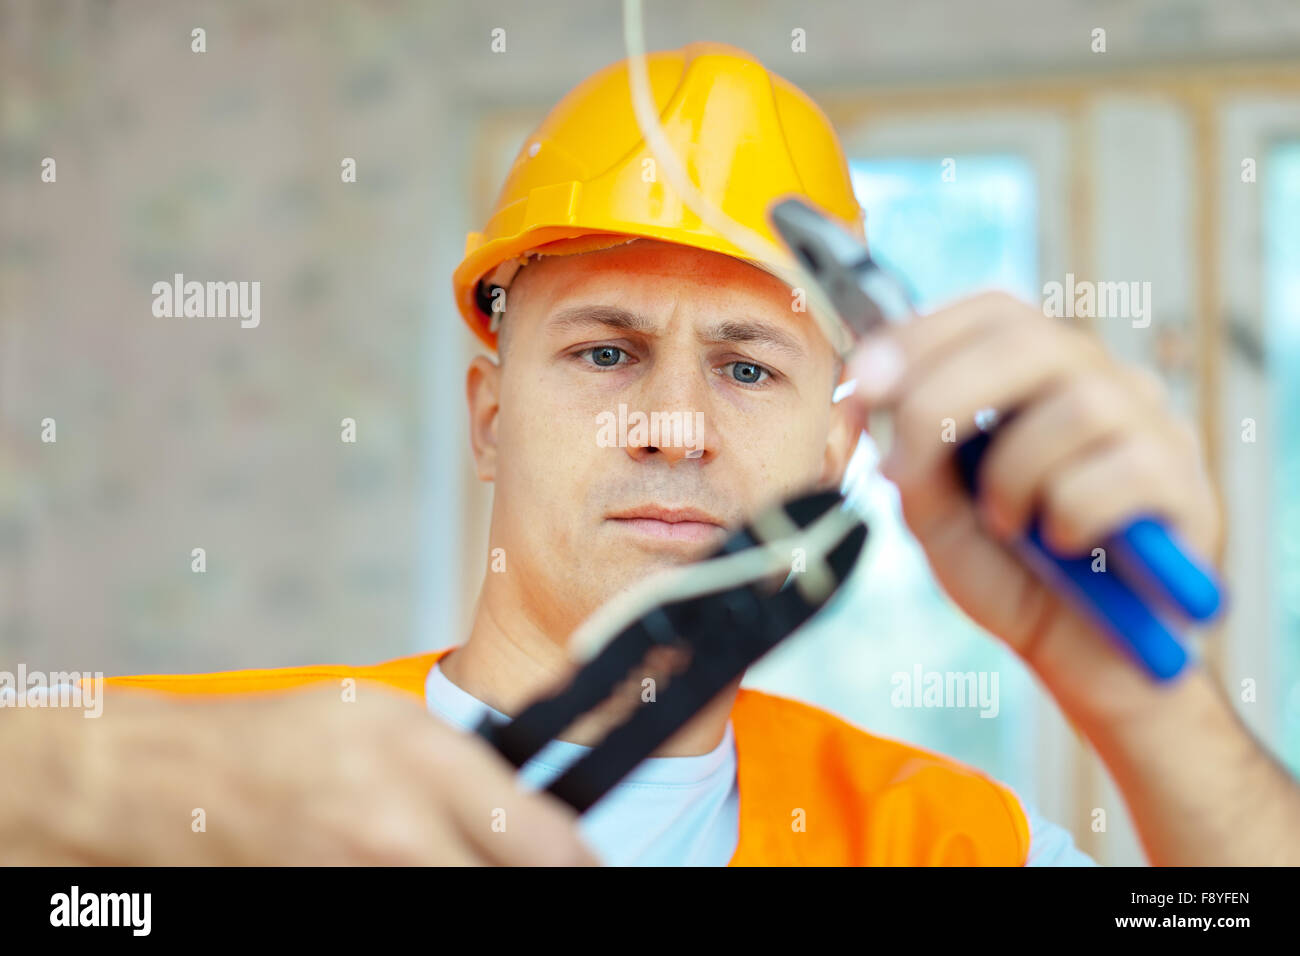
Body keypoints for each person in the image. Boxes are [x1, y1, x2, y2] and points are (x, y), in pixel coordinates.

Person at [6, 43, 1298, 867]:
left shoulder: (944, 843)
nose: (677, 424)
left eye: (747, 367)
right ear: (489, 415)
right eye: (607, 353)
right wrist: (97, 787)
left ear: (843, 441)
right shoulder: (215, 790)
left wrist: (1140, 693)